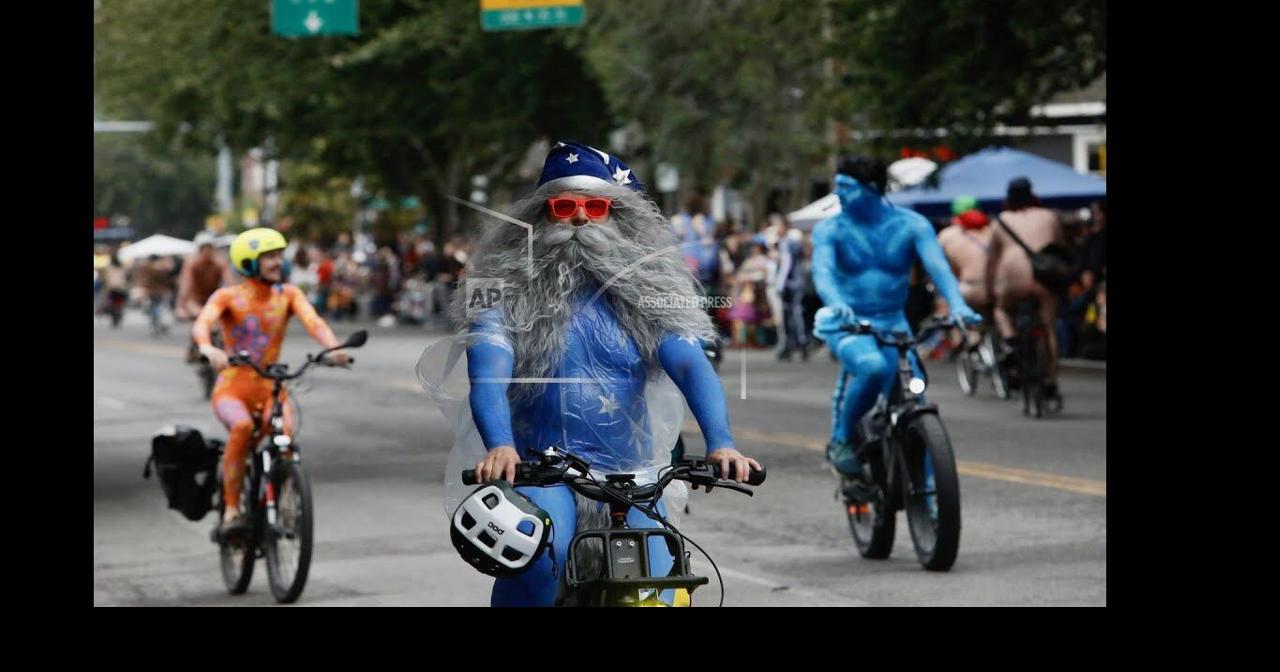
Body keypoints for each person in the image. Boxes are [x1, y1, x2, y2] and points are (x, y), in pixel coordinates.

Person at [457, 140, 760, 607]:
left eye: (595, 206)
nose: (580, 218)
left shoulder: (654, 287)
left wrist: (721, 442)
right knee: (532, 558)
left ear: (618, 217)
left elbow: (688, 360)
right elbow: (488, 368)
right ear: (540, 216)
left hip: (634, 476)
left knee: (657, 594)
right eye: (564, 206)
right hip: (544, 471)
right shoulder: (493, 284)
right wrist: (500, 444)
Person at [810, 157, 981, 477]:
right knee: (872, 368)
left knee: (914, 397)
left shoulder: (912, 224)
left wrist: (957, 304)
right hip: (848, 322)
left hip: (893, 321)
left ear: (872, 188)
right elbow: (823, 272)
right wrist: (836, 302)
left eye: (846, 188)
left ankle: (930, 502)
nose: (839, 196)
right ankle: (843, 440)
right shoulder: (830, 229)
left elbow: (939, 268)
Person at [192, 228, 350, 537]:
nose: (278, 262)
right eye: (270, 257)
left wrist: (334, 349)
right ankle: (233, 509)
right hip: (231, 388)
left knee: (286, 433)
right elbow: (203, 322)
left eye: (279, 255)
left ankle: (285, 498)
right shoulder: (227, 296)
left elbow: (314, 322)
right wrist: (207, 347)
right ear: (249, 262)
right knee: (241, 428)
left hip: (271, 388)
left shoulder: (289, 294)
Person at [986, 177, 1067, 401]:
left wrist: (990, 287)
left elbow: (991, 260)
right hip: (1044, 276)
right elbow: (1060, 246)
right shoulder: (1049, 216)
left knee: (1001, 310)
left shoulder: (1002, 220)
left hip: (1015, 277)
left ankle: (1011, 341)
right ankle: (1050, 378)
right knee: (1049, 326)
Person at [176, 232, 234, 360]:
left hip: (214, 300)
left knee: (221, 325)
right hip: (195, 300)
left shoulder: (220, 263)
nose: (207, 252)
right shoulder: (192, 264)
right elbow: (186, 286)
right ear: (199, 250)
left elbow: (229, 283)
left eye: (209, 248)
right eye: (204, 249)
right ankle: (194, 346)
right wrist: (180, 306)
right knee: (200, 318)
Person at [775, 220, 811, 361]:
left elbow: (786, 264)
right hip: (799, 281)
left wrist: (780, 284)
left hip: (789, 283)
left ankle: (790, 344)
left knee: (787, 312)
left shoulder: (786, 243)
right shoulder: (797, 242)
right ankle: (802, 340)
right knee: (797, 312)